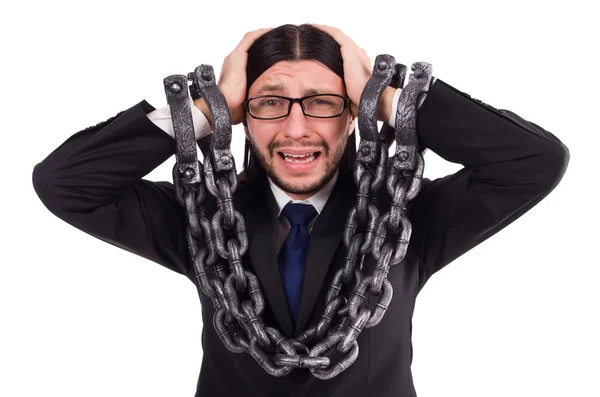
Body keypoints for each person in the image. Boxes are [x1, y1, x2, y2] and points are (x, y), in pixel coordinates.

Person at [31, 23, 570, 397]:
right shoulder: (199, 220)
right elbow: (66, 183)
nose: (295, 129)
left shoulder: (407, 218)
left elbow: (534, 163)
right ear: (242, 114)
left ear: (352, 111)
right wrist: (205, 108)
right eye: (269, 102)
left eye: (322, 101)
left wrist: (391, 100)